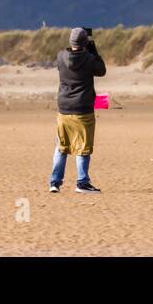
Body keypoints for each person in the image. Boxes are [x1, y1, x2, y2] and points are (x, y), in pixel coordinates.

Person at [49, 27, 106, 193]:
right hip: (83, 108)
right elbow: (101, 70)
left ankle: (54, 182)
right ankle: (82, 182)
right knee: (83, 146)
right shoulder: (88, 59)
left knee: (62, 146)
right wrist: (94, 51)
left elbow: (63, 63)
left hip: (64, 107)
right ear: (85, 42)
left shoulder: (60, 57)